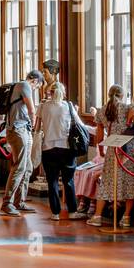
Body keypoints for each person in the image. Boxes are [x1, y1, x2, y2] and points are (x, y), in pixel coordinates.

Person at [87, 86, 134, 228]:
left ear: (109, 95)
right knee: (131, 181)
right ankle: (126, 217)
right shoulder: (129, 108)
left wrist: (101, 150)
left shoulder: (103, 110)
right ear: (123, 95)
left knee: (108, 181)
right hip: (133, 148)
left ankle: (97, 216)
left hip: (113, 147)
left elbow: (99, 133)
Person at [36, 81, 90, 220]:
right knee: (68, 181)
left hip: (48, 148)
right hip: (66, 148)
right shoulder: (69, 106)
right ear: (63, 93)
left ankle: (55, 213)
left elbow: (37, 127)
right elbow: (79, 124)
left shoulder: (42, 106)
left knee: (52, 181)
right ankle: (72, 211)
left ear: (50, 92)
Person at [0, 70, 43, 216]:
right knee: (19, 166)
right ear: (35, 81)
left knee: (28, 167)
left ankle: (20, 201)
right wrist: (35, 125)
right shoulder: (25, 85)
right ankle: (7, 203)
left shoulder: (20, 86)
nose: (36, 90)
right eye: (38, 86)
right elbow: (31, 109)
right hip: (19, 130)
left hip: (23, 128)